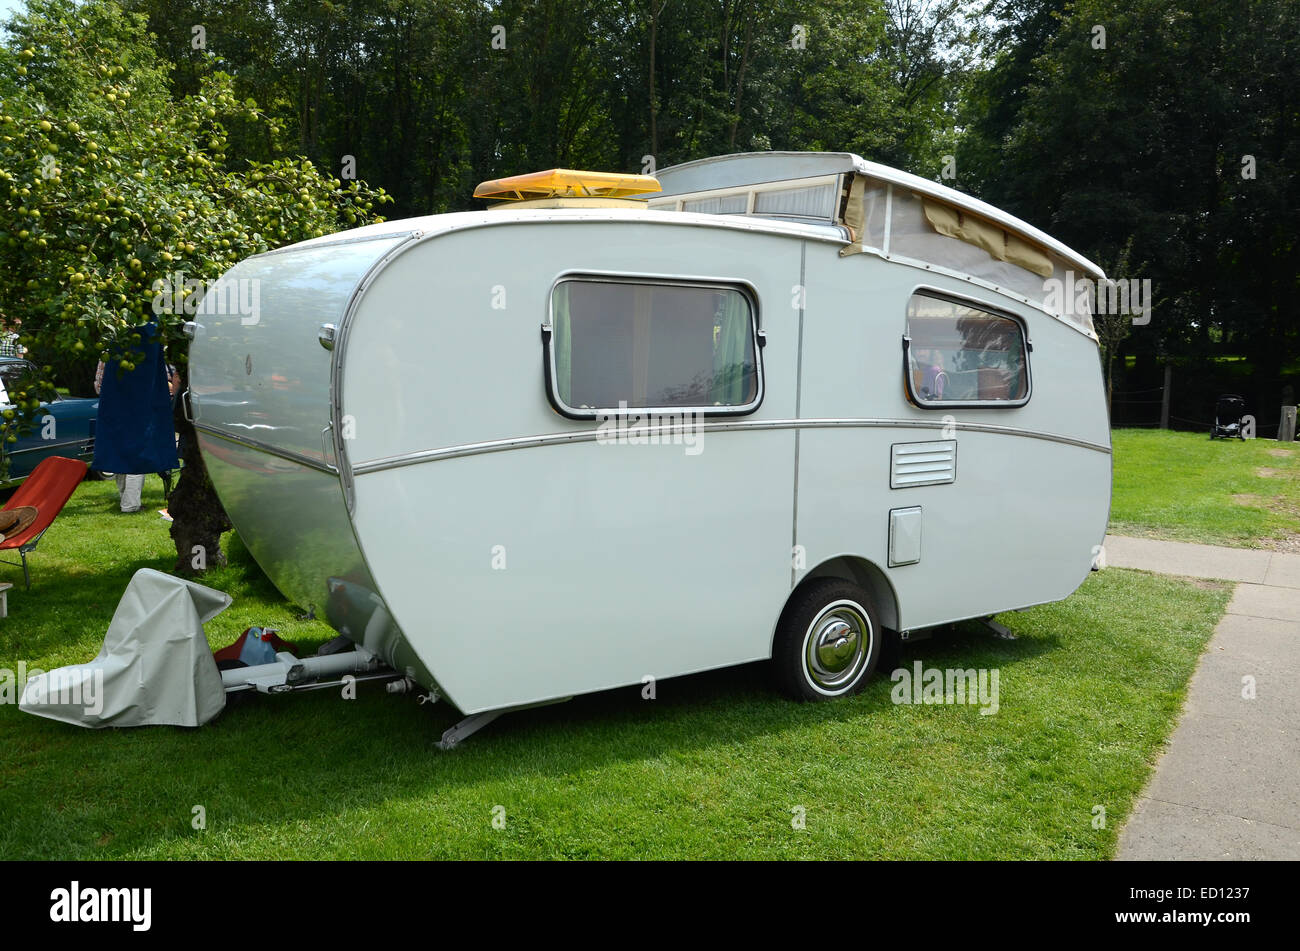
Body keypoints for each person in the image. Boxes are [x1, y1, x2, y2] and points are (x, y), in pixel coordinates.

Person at [95, 359, 145, 513]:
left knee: (122, 454)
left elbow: (99, 385)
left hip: (112, 409)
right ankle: (130, 504)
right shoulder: (141, 353)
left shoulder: (107, 352)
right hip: (135, 407)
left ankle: (126, 498)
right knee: (136, 456)